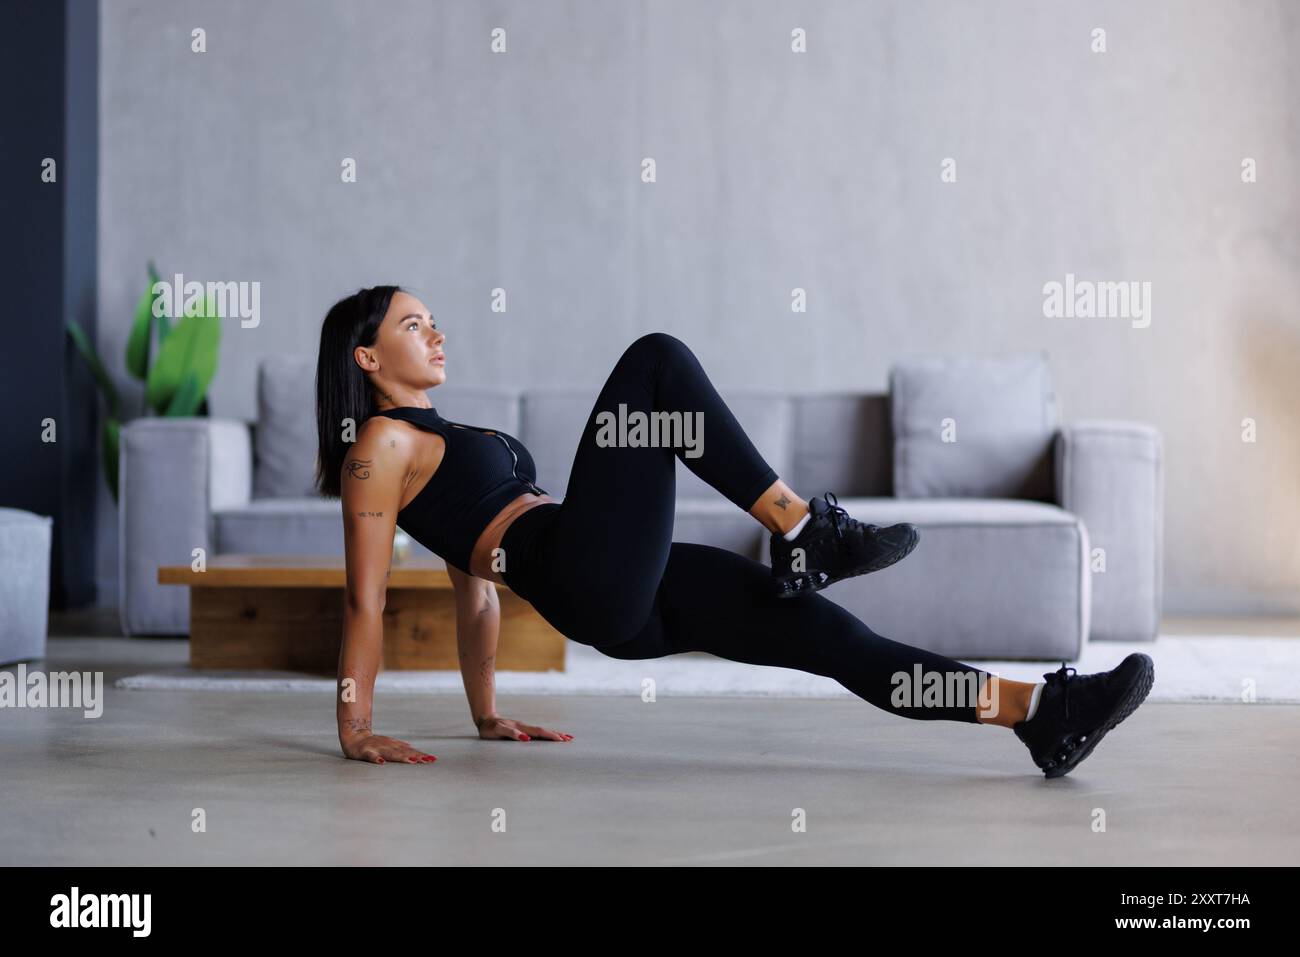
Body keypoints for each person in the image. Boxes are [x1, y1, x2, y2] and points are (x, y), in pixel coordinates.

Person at [315, 285, 1154, 778]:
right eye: (413, 325)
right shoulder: (380, 446)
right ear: (366, 358)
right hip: (582, 574)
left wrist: (486, 712)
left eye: (432, 320)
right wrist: (353, 727)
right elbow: (364, 599)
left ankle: (1040, 713)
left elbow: (478, 590)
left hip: (619, 595)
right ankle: (800, 527)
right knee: (655, 361)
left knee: (831, 635)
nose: (437, 332)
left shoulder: (446, 436)